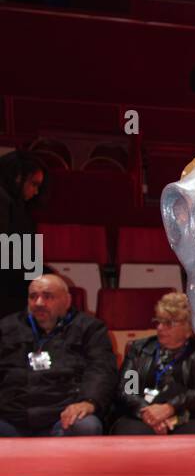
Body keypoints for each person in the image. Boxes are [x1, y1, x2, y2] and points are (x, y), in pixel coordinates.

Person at [0, 272, 117, 435]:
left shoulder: (90, 328)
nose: (39, 302)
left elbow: (101, 370)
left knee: (86, 426)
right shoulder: (7, 327)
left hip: (63, 414)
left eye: (48, 297)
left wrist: (89, 402)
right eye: (33, 297)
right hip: (12, 417)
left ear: (67, 301)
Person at [110, 291, 195, 434]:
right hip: (141, 414)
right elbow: (127, 390)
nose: (160, 328)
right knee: (131, 431)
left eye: (169, 323)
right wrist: (147, 413)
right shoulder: (138, 350)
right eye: (159, 321)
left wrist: (170, 407)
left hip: (191, 415)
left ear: (189, 327)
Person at [0, 149, 46, 320]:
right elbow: (11, 256)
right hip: (9, 294)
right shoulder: (6, 205)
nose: (36, 192)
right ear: (18, 178)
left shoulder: (13, 206)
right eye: (34, 184)